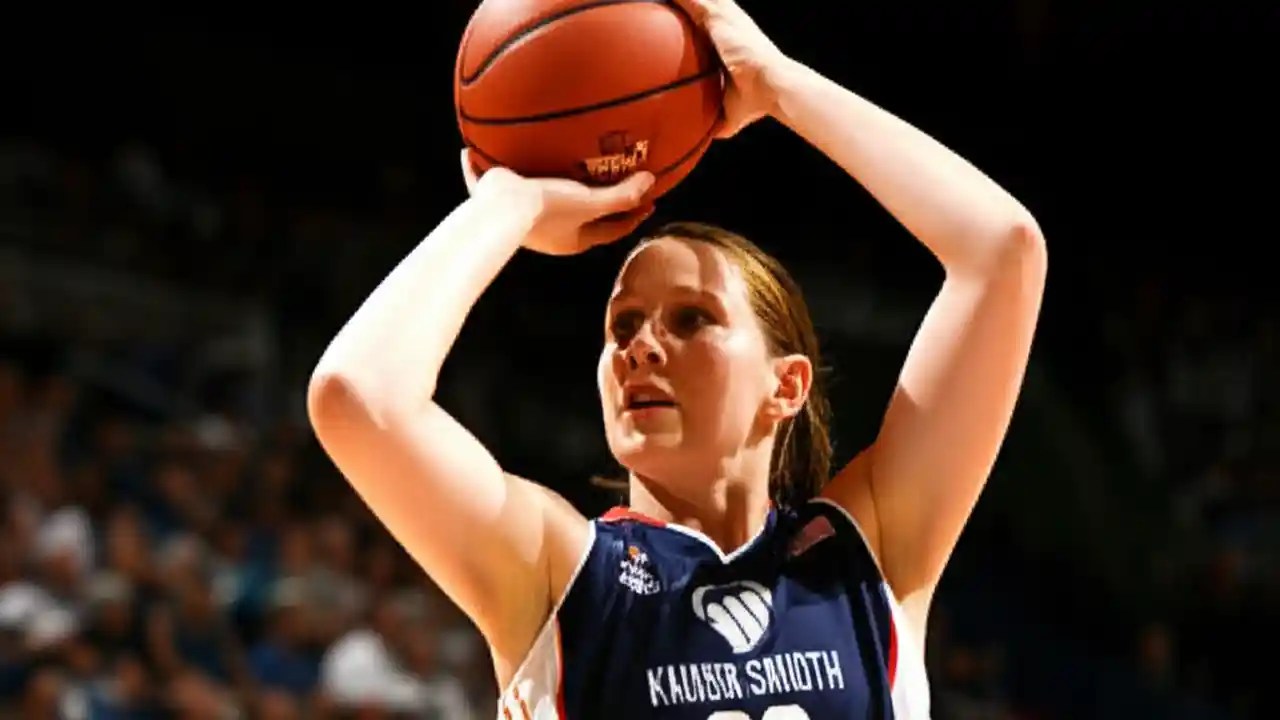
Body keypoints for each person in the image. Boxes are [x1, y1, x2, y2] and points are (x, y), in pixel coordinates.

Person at [306, 0, 1047, 717]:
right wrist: (508, 205)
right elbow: (359, 394)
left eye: (693, 318)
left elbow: (1002, 252)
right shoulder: (557, 573)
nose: (641, 347)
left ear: (784, 385)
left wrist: (779, 84)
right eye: (622, 325)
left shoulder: (867, 554)